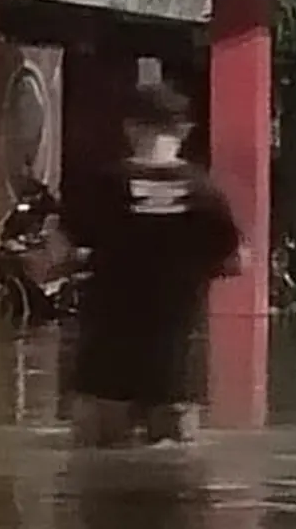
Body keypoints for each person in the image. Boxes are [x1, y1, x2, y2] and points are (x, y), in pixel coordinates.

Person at [61, 83, 241, 447]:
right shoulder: (206, 193)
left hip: (105, 356)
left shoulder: (103, 185)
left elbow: (54, 256)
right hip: (175, 359)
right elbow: (236, 263)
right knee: (176, 474)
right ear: (184, 131)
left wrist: (87, 262)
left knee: (93, 472)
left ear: (130, 128)